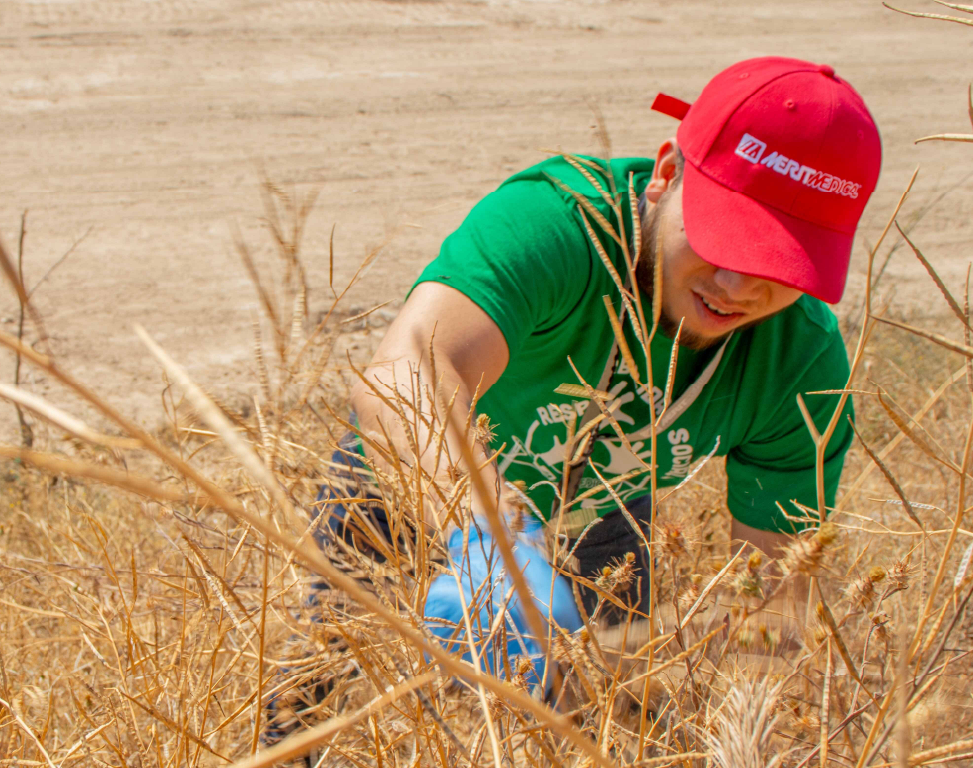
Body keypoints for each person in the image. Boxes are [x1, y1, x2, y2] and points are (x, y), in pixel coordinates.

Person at [266, 55, 882, 741]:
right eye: (723, 238)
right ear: (668, 174)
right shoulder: (557, 225)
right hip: (417, 479)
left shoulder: (800, 367)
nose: (736, 286)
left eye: (776, 261)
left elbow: (773, 594)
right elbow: (409, 367)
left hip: (604, 513)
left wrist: (733, 726)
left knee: (605, 728)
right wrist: (488, 544)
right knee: (313, 711)